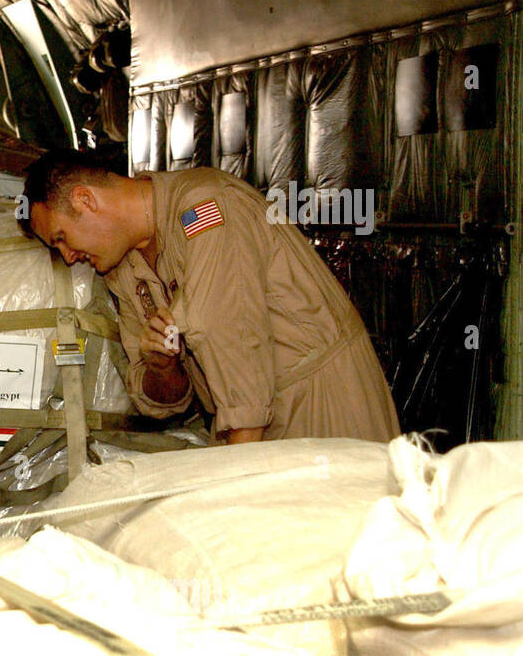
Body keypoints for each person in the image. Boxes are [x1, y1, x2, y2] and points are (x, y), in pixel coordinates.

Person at [22, 149, 400, 444]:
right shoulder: (123, 267)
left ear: (86, 200)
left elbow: (233, 343)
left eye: (61, 238)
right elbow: (167, 400)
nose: (69, 257)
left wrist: (235, 482)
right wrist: (161, 367)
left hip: (323, 405)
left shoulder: (205, 208)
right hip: (243, 420)